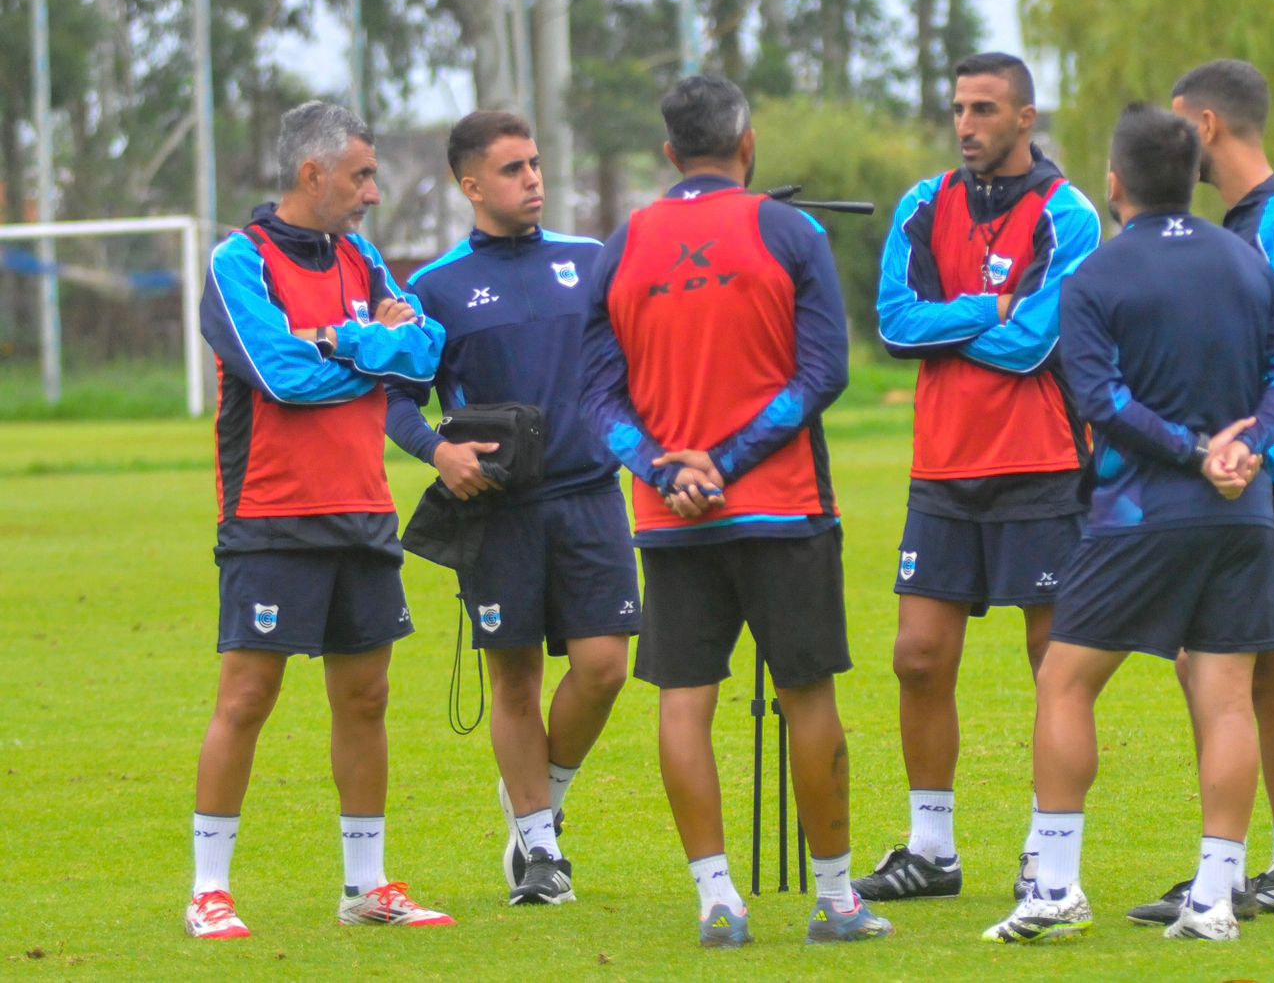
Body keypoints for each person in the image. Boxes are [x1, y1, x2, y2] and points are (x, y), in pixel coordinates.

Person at [981, 104, 1274, 945]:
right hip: (1243, 516)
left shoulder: (1095, 275)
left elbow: (1101, 401)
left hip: (1138, 519)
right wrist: (1248, 448)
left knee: (1065, 682)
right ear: (1192, 173)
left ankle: (1055, 887)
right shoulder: (1243, 260)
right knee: (1226, 697)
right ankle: (1213, 899)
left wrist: (1196, 450)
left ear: (1115, 181)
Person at [579, 74, 892, 949]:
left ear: (670, 153)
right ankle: (836, 901)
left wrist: (665, 469)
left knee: (684, 703)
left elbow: (597, 402)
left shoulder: (623, 243)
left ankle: (718, 900)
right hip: (782, 509)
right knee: (807, 694)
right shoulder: (789, 230)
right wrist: (730, 461)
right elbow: (823, 373)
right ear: (747, 145)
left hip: (669, 518)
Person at [188, 101, 452, 939]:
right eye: (362, 175)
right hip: (272, 514)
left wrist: (343, 343)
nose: (373, 192)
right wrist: (364, 346)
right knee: (248, 696)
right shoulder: (239, 262)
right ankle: (208, 891)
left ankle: (365, 887)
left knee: (366, 697)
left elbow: (426, 348)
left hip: (364, 511)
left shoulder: (365, 258)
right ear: (314, 174)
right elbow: (281, 376)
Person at [860, 52, 1100, 902]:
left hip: (1042, 463)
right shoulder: (923, 207)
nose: (967, 125)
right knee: (918, 657)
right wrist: (988, 308)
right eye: (960, 108)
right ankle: (932, 851)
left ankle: (1047, 850)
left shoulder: (1069, 216)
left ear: (1026, 118)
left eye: (986, 110)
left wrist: (954, 321)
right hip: (944, 469)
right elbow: (892, 324)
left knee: (1053, 662)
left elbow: (1037, 341)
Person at [386, 112, 639, 907]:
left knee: (604, 667)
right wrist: (439, 453)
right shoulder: (432, 289)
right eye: (511, 169)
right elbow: (394, 404)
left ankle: (538, 803)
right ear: (470, 186)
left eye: (534, 164)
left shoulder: (591, 261)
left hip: (592, 497)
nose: (533, 179)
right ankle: (541, 854)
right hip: (499, 512)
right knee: (516, 680)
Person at [1121, 60, 1274, 924]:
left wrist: (1253, 457)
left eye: (1182, 129)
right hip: (1241, 477)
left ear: (1208, 126)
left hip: (1267, 479)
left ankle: (1228, 874)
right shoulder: (1244, 223)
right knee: (1270, 665)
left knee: (1216, 665)